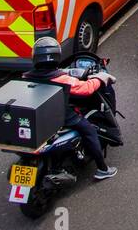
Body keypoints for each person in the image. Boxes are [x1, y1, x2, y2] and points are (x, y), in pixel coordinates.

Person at [24, 37, 118, 180]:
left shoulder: (26, 76)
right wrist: (100, 78)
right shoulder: (62, 79)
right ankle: (103, 169)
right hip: (62, 117)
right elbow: (85, 89)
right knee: (90, 131)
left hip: (38, 116)